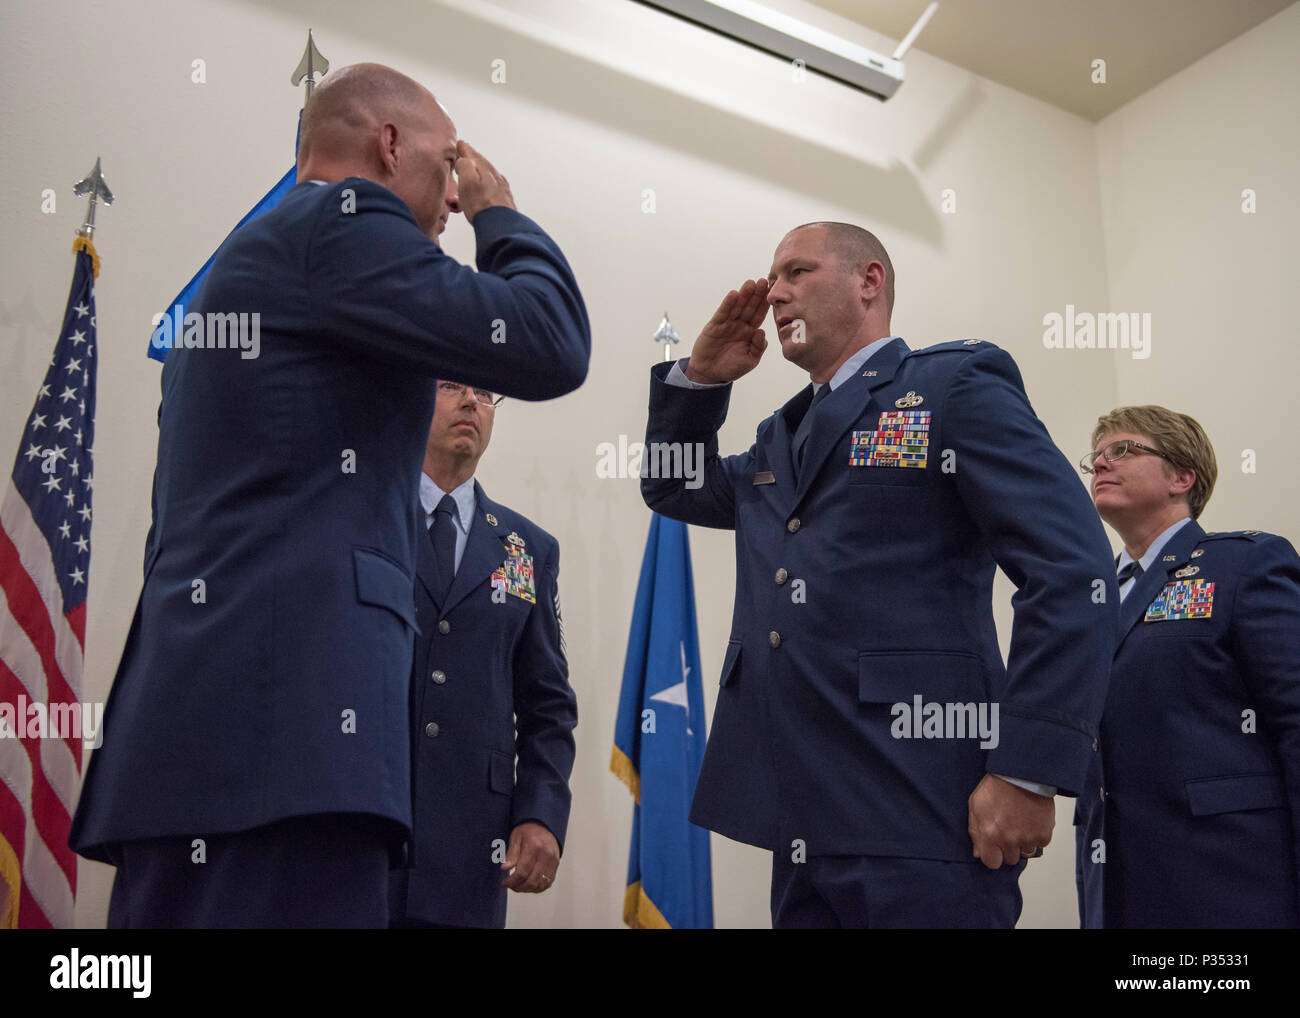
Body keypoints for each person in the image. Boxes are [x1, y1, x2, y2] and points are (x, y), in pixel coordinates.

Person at [68, 63, 590, 928]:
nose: (452, 200)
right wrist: (502, 209)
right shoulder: (342, 225)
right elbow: (549, 338)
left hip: (226, 746)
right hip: (283, 750)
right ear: (389, 145)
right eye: (446, 164)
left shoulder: (269, 261)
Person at [641, 222, 1117, 928]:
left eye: (796, 271)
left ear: (869, 282)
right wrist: (701, 380)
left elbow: (1072, 571)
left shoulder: (950, 385)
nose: (773, 293)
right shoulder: (781, 434)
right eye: (772, 278)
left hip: (922, 807)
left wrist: (1027, 769)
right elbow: (675, 487)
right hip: (799, 821)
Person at [1074, 406, 1300, 928]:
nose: (1103, 463)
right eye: (1097, 457)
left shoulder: (1243, 564)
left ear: (1182, 476)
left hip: (1231, 881)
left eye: (1124, 450)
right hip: (1119, 886)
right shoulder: (1090, 597)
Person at [389, 380, 576, 928]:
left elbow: (549, 705)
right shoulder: (365, 517)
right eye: (451, 386)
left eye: (486, 393)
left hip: (473, 847)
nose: (472, 402)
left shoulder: (527, 549)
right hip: (363, 831)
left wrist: (540, 814)